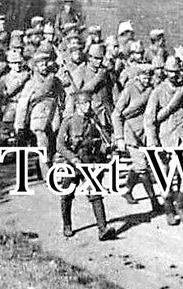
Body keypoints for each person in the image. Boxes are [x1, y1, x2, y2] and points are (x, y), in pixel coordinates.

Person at [55, 91, 116, 241]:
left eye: (89, 103)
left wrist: (106, 148)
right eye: (84, 103)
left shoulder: (94, 120)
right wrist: (73, 158)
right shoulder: (68, 121)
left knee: (95, 194)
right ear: (77, 105)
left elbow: (102, 139)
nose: (88, 106)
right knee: (67, 195)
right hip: (73, 163)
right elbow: (60, 146)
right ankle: (67, 225)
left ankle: (103, 229)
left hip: (90, 161)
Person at [144, 56, 183, 226]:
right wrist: (153, 144)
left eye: (176, 71)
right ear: (165, 72)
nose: (174, 75)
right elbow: (149, 120)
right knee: (164, 178)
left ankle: (181, 205)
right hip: (164, 140)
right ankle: (169, 209)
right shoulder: (158, 92)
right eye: (170, 72)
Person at [112, 62, 162, 213]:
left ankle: (127, 190)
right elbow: (117, 114)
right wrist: (119, 137)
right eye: (144, 77)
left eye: (149, 77)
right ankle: (154, 202)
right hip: (131, 133)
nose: (147, 80)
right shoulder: (129, 90)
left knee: (139, 165)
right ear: (137, 77)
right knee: (143, 168)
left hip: (146, 133)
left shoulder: (152, 90)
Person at [13, 52, 65, 180]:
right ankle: (47, 174)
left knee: (53, 146)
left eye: (46, 64)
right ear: (35, 67)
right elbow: (23, 105)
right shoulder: (30, 84)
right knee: (43, 146)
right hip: (38, 119)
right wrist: (19, 125)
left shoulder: (55, 81)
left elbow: (62, 97)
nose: (44, 67)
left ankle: (45, 169)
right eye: (41, 65)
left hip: (54, 117)